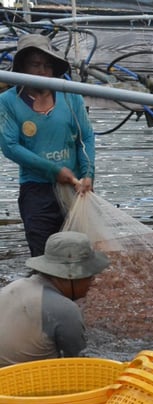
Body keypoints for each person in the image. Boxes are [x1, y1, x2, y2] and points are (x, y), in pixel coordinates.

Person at [0, 33, 95, 257]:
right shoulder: (8, 102)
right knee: (43, 255)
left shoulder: (70, 97)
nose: (42, 71)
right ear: (23, 68)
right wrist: (54, 171)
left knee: (79, 255)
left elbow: (86, 138)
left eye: (47, 65)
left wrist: (88, 174)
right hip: (37, 189)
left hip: (76, 187)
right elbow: (10, 147)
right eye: (35, 65)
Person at [0, 231, 109, 365]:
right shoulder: (65, 309)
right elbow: (78, 363)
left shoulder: (14, 286)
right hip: (17, 382)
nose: (93, 280)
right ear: (71, 276)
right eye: (89, 274)